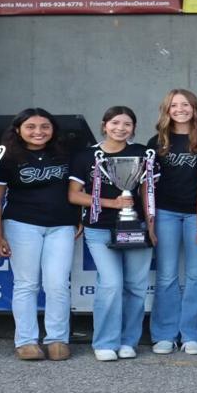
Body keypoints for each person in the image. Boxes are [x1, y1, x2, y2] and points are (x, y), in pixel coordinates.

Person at [0, 107, 75, 360]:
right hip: (22, 224)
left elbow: (80, 189)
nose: (38, 132)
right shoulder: (6, 157)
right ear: (18, 130)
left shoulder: (66, 153)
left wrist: (79, 217)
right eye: (31, 127)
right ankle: (26, 341)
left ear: (53, 130)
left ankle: (58, 339)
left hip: (61, 225)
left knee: (57, 284)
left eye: (44, 127)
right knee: (26, 284)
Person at [69, 106, 154, 362]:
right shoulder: (86, 156)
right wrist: (113, 204)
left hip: (136, 228)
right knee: (111, 284)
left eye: (127, 124)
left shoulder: (141, 153)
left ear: (134, 128)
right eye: (115, 123)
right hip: (99, 227)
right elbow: (74, 194)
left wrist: (151, 225)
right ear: (104, 125)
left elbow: (147, 193)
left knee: (136, 286)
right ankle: (105, 341)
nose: (120, 128)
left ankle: (129, 341)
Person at [146, 88, 197, 355]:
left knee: (196, 276)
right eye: (174, 105)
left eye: (185, 104)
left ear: (195, 108)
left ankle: (193, 335)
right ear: (167, 110)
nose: (180, 109)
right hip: (166, 212)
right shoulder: (158, 142)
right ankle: (164, 334)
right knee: (166, 275)